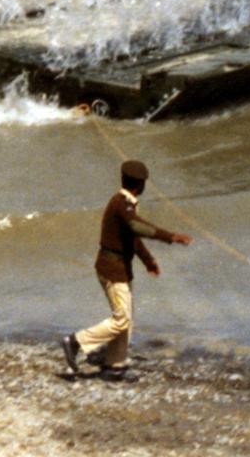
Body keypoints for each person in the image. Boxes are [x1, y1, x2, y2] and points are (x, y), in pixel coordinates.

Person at [61, 159, 191, 380]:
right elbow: (137, 227)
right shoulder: (122, 204)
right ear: (141, 185)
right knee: (121, 319)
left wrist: (148, 261)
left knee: (126, 318)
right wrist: (171, 237)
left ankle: (115, 364)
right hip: (112, 269)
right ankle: (76, 342)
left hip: (119, 267)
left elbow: (132, 238)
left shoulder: (125, 204)